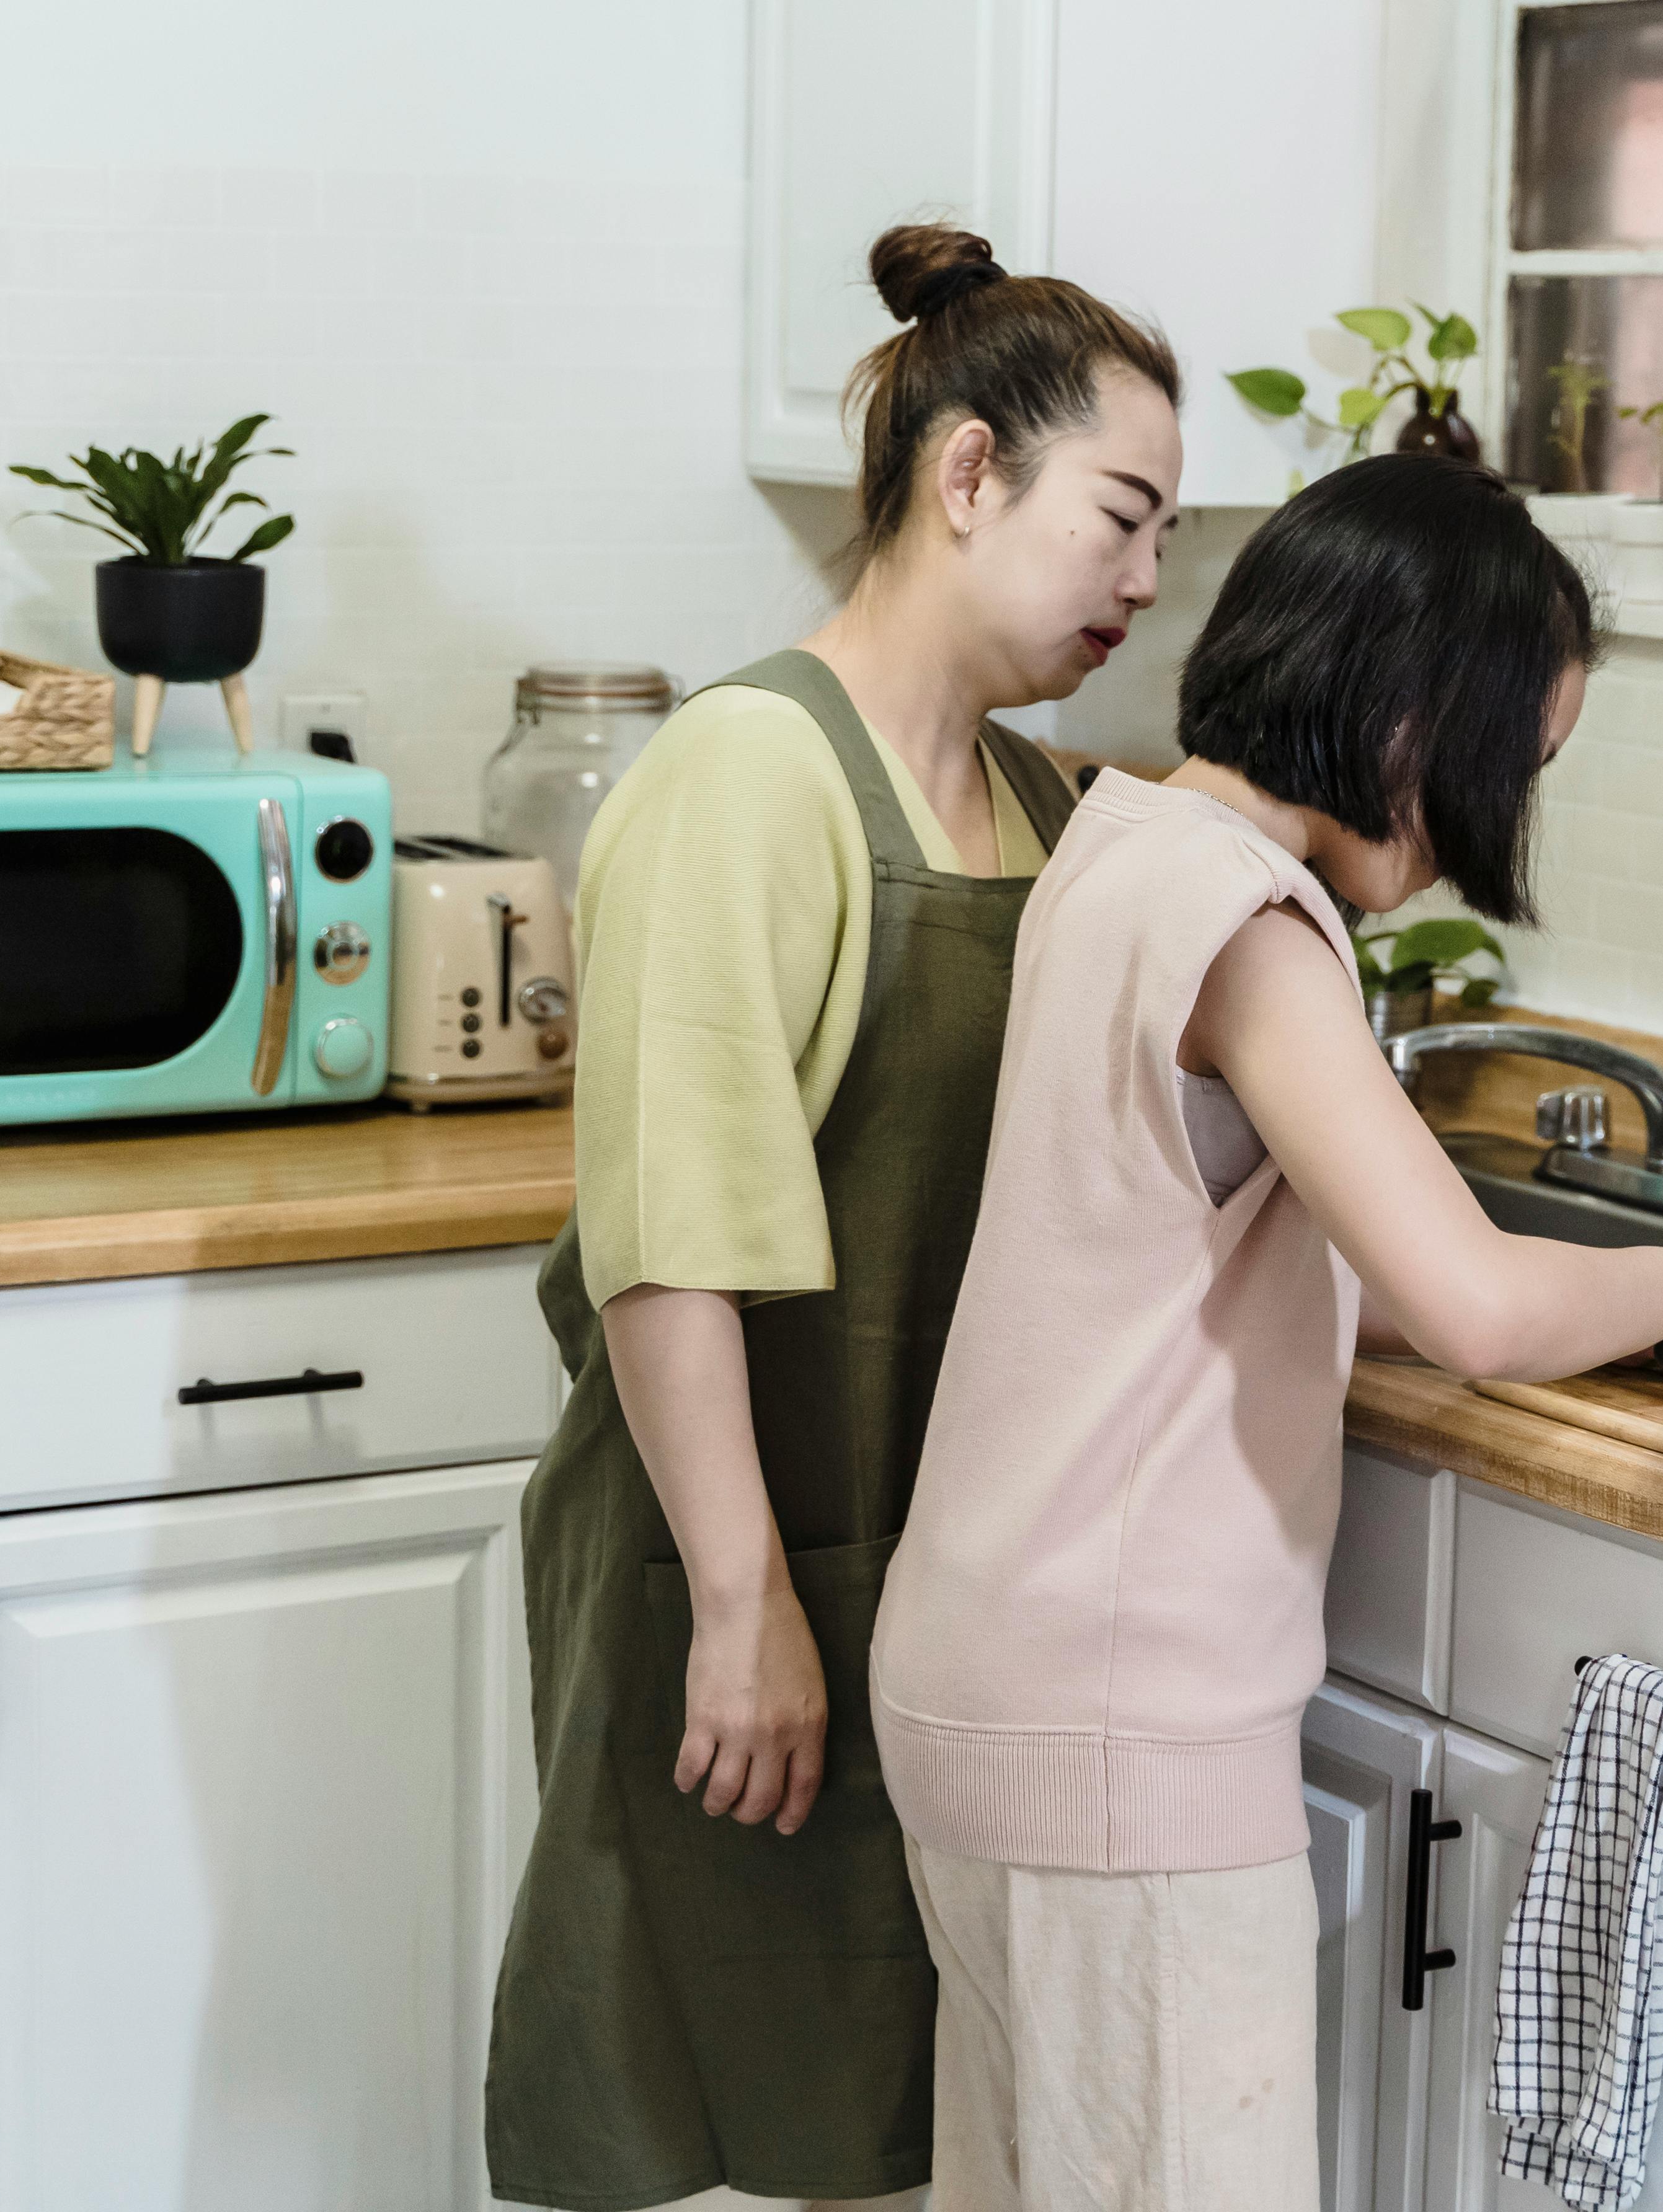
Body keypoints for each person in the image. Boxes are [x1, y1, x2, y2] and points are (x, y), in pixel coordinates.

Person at [870, 454, 1663, 2208]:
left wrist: (1626, 1311)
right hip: (1122, 1736)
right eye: (1514, 763)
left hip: (989, 1674)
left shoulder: (1120, 843)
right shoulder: (1251, 927)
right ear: (1411, 717)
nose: (1498, 817)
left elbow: (1231, 1266)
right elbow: (1470, 1304)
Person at [486, 224, 1184, 2212]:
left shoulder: (1046, 808)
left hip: (937, 1584)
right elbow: (671, 1249)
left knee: (914, 2134)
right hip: (746, 1554)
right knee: (746, 2111)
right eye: (1122, 517)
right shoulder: (748, 775)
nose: (1147, 578)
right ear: (970, 474)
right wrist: (744, 1605)